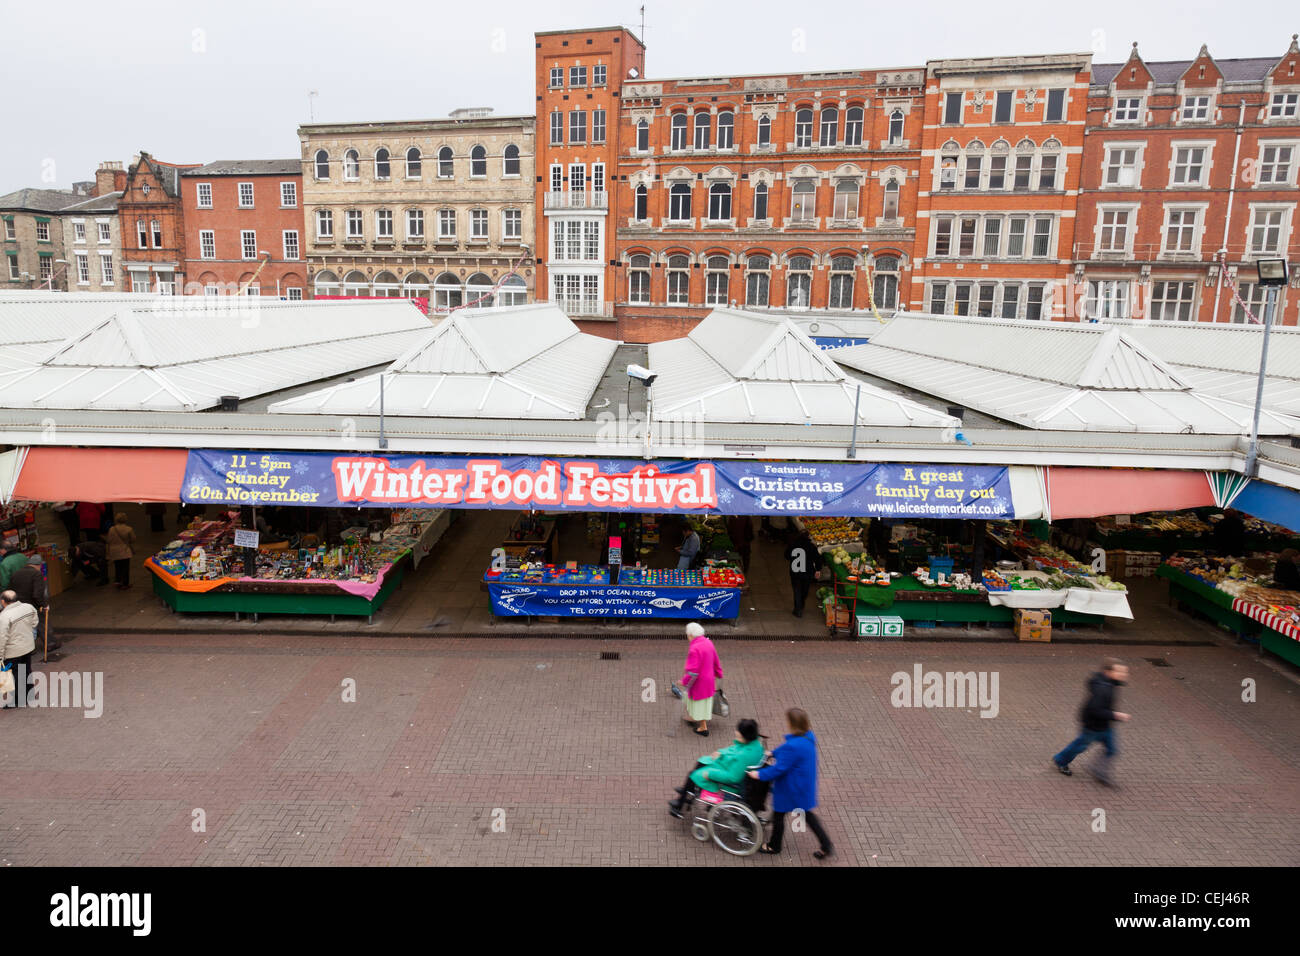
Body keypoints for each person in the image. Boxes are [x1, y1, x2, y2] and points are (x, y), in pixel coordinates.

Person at [748, 707, 833, 859]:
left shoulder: (793, 746)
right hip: (803, 786)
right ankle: (826, 844)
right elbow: (787, 750)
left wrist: (758, 774)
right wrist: (773, 753)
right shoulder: (808, 737)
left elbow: (778, 769)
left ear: (792, 724)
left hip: (791, 788)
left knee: (780, 813)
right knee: (808, 816)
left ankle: (774, 846)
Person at [1052, 658, 1131, 787]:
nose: (1124, 675)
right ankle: (1060, 760)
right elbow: (1095, 709)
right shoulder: (1103, 689)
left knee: (1111, 750)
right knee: (1080, 746)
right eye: (1120, 672)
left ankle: (1099, 771)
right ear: (1108, 672)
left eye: (1125, 672)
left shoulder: (1109, 682)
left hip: (1104, 725)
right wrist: (1116, 715)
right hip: (1093, 726)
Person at [669, 718, 765, 818]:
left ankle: (682, 802)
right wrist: (721, 753)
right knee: (702, 762)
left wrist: (709, 774)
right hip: (731, 768)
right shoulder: (756, 745)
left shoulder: (744, 755)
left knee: (695, 774)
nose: (736, 732)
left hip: (731, 782)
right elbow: (736, 750)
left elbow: (733, 778)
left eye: (738, 731)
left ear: (745, 735)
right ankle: (687, 791)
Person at [679, 622, 722, 736]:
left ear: (691, 635)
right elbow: (715, 659)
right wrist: (719, 673)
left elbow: (693, 671)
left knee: (698, 703)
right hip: (709, 680)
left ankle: (703, 728)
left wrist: (684, 681)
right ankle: (693, 717)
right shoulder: (708, 642)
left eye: (688, 635)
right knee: (703, 702)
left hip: (699, 683)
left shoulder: (694, 649)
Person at [0, 589, 37, 709]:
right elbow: (34, 623)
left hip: (13, 651)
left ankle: (18, 700)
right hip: (28, 646)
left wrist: (0, 655)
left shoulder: (4, 616)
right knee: (26, 669)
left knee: (15, 674)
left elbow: (2, 637)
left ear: (3, 601)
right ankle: (29, 694)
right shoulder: (28, 607)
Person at [9, 556, 49, 647]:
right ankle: (29, 648)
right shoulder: (36, 574)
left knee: (21, 628)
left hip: (17, 605)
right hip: (30, 606)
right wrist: (44, 605)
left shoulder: (16, 573)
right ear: (38, 565)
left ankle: (22, 646)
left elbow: (10, 590)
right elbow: (37, 594)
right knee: (33, 627)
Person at [783, 529, 821, 618]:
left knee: (797, 590)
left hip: (795, 572)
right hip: (807, 573)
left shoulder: (793, 545)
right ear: (808, 537)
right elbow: (817, 559)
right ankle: (801, 605)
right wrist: (818, 569)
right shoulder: (811, 546)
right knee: (805, 590)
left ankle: (798, 609)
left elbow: (786, 556)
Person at [105, 512, 137, 590]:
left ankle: (118, 581)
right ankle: (125, 583)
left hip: (114, 551)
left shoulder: (112, 529)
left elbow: (108, 540)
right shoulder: (129, 529)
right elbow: (133, 539)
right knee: (125, 567)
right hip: (124, 550)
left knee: (117, 566)